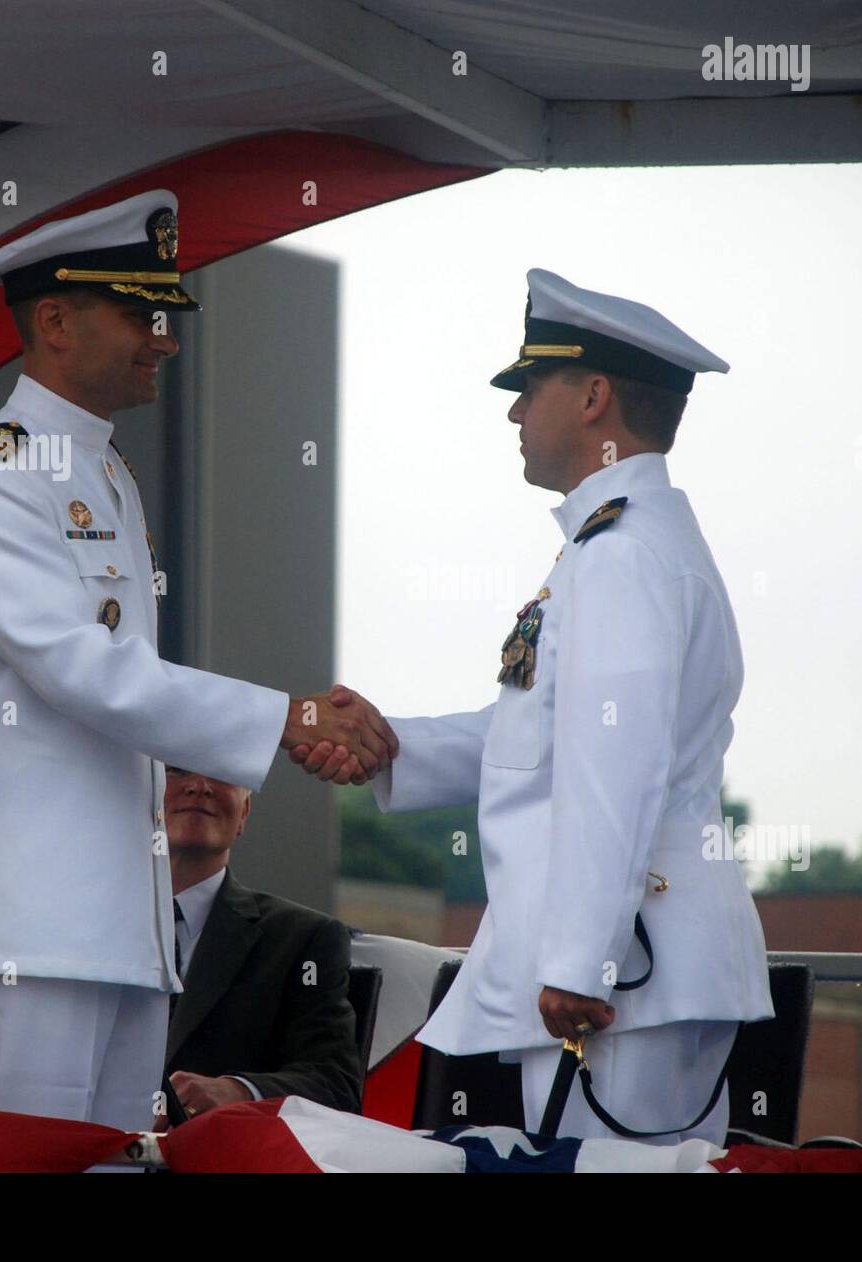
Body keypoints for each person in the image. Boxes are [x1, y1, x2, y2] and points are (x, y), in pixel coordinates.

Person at [0, 189, 395, 1132]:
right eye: (140, 314)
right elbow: (81, 669)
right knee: (19, 1166)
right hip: (30, 923)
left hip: (118, 921)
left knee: (116, 1164)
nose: (164, 337)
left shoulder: (104, 469)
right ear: (54, 321)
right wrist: (287, 717)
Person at [296, 269, 773, 1143]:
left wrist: (580, 962)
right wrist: (391, 744)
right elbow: (542, 739)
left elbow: (614, 769)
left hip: (625, 971)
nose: (514, 412)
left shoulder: (622, 556)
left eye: (529, 387)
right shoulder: (621, 545)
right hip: (636, 959)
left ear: (594, 397)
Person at [0, 767, 363, 1117]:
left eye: (220, 773)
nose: (199, 785)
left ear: (245, 813)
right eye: (176, 771)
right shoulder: (63, 923)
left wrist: (238, 1091)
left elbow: (336, 1083)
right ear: (145, 800)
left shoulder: (303, 940)